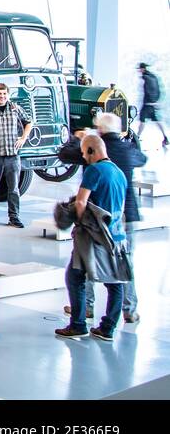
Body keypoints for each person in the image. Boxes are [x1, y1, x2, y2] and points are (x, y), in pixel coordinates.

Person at [60, 114, 146, 323]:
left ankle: (86, 307)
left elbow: (64, 154)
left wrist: (78, 137)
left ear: (99, 129)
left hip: (97, 218)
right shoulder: (126, 150)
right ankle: (129, 310)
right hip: (126, 213)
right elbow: (142, 158)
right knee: (123, 264)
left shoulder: (94, 149)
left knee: (86, 262)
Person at [56, 135, 129, 342]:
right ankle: (108, 328)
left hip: (92, 236)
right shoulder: (118, 172)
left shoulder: (94, 170)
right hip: (115, 234)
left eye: (83, 152)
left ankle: (78, 324)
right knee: (115, 282)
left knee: (75, 276)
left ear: (90, 151)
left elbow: (81, 202)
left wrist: (79, 221)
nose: (83, 157)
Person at [0, 82, 32, 228]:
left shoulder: (15, 108)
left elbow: (29, 121)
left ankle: (14, 217)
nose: (2, 96)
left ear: (8, 95)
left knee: (14, 189)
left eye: (4, 94)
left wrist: (23, 138)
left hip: (13, 156)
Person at [136, 63, 168, 149]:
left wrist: (148, 102)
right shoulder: (153, 76)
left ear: (142, 69)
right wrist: (156, 102)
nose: (138, 70)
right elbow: (157, 89)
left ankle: (137, 138)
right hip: (154, 103)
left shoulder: (144, 78)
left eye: (139, 69)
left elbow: (145, 91)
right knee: (157, 121)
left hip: (147, 103)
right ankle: (165, 137)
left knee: (142, 120)